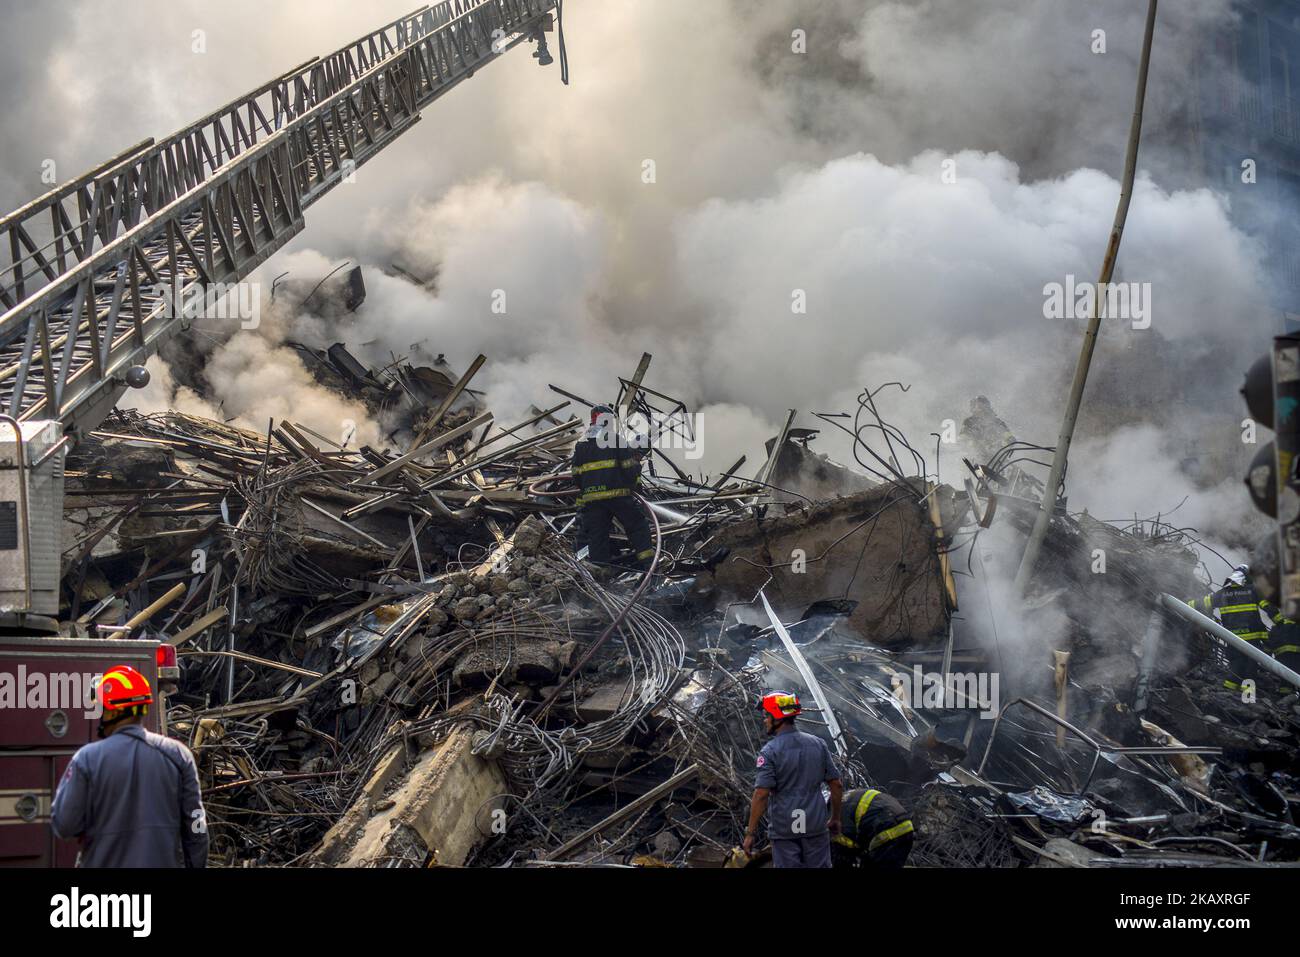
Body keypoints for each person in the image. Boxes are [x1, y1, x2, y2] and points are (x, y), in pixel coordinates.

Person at [51, 664, 208, 868]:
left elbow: (64, 825)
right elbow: (196, 829)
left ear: (111, 712)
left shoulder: (87, 759)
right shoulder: (178, 756)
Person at [743, 691, 842, 868]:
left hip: (786, 829)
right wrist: (835, 818)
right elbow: (836, 784)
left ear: (777, 718)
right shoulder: (818, 744)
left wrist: (750, 833)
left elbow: (761, 794)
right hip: (815, 826)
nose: (764, 720)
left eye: (766, 715)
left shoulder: (770, 751)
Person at [1186, 564, 1295, 690]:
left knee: (1236, 666)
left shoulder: (1222, 594)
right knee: (1250, 670)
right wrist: (1280, 622)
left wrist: (1185, 604)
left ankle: (1230, 693)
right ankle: (1247, 698)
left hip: (1233, 639)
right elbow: (1268, 607)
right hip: (1252, 639)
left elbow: (1201, 604)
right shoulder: (1253, 590)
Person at [571, 404, 653, 570]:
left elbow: (576, 476)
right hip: (618, 497)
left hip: (593, 501)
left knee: (597, 537)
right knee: (637, 526)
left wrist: (589, 490)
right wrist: (635, 474)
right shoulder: (616, 440)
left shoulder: (581, 445)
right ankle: (649, 564)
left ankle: (601, 574)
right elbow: (629, 469)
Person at [829, 786, 914, 869]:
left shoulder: (837, 813)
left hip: (886, 832)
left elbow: (844, 849)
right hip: (906, 827)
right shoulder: (847, 798)